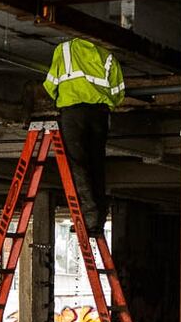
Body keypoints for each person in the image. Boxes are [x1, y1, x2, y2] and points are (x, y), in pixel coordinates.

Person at [43, 38, 125, 236]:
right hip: (100, 114)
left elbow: (50, 84)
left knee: (78, 164)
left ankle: (89, 218)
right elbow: (118, 93)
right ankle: (97, 220)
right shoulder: (107, 55)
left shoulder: (64, 50)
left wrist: (61, 98)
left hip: (73, 112)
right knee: (97, 165)